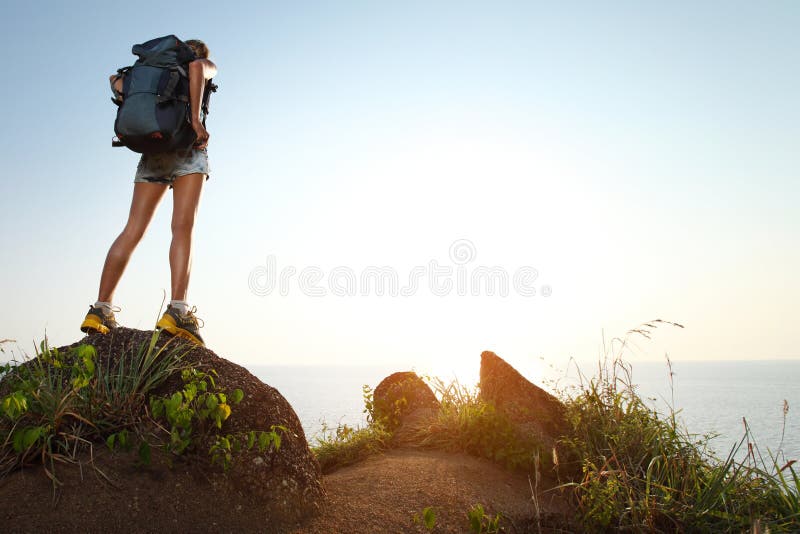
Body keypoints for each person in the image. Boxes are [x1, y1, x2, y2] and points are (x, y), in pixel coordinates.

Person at [79, 39, 217, 346]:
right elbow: (197, 68)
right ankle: (177, 311)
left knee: (133, 229)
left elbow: (115, 81)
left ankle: (100, 309)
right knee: (182, 228)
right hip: (187, 152)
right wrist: (195, 122)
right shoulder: (201, 63)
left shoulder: (151, 71)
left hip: (153, 150)